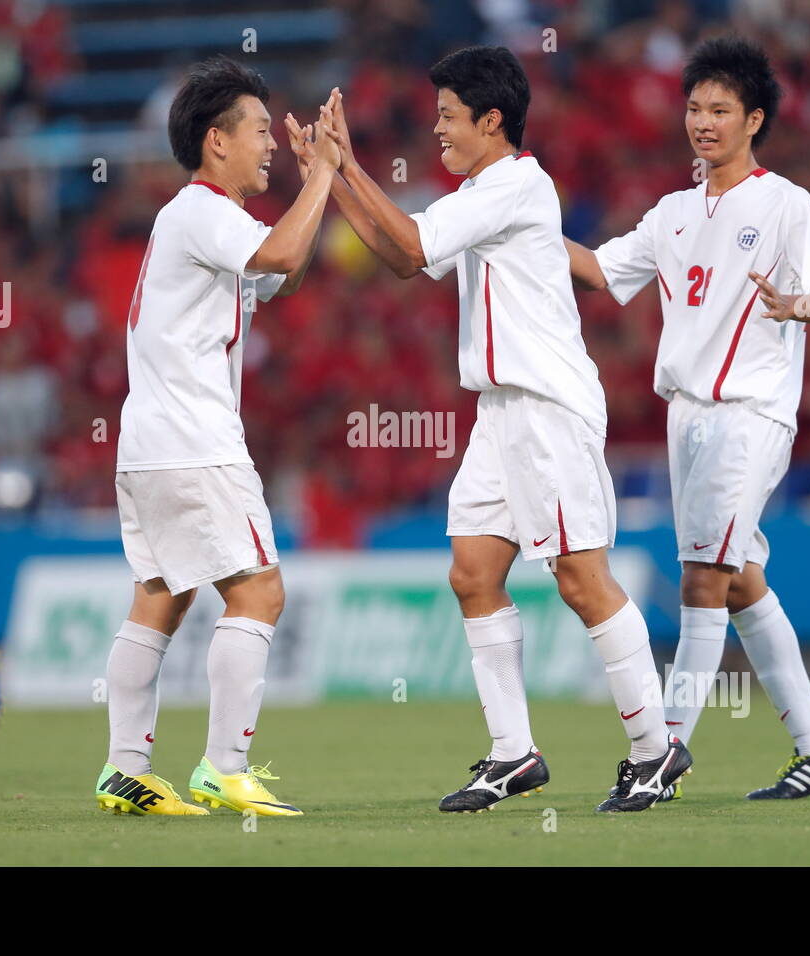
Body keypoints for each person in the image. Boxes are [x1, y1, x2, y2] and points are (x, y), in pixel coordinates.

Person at [307, 46, 689, 813]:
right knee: (473, 574)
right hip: (500, 411)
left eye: (449, 116)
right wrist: (333, 174)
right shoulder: (488, 192)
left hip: (546, 406)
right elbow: (399, 258)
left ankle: (656, 750)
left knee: (581, 581)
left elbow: (412, 247)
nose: (437, 131)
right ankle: (514, 754)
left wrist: (345, 165)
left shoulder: (515, 184)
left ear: (491, 121)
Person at [568, 36, 810, 800]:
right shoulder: (670, 213)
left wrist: (798, 304)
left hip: (751, 414)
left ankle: (660, 759)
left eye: (720, 110)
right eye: (695, 107)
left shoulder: (788, 205)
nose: (703, 122)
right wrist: (523, 232)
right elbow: (599, 270)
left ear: (753, 119)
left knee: (702, 576)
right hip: (685, 417)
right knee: (739, 581)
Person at [97, 57, 340, 817]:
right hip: (194, 441)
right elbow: (280, 253)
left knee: (161, 600)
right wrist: (325, 175)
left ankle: (124, 770)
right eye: (262, 130)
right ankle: (223, 765)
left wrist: (313, 185)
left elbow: (284, 273)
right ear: (216, 142)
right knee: (261, 592)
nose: (272, 144)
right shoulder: (202, 211)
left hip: (151, 443)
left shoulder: (200, 221)